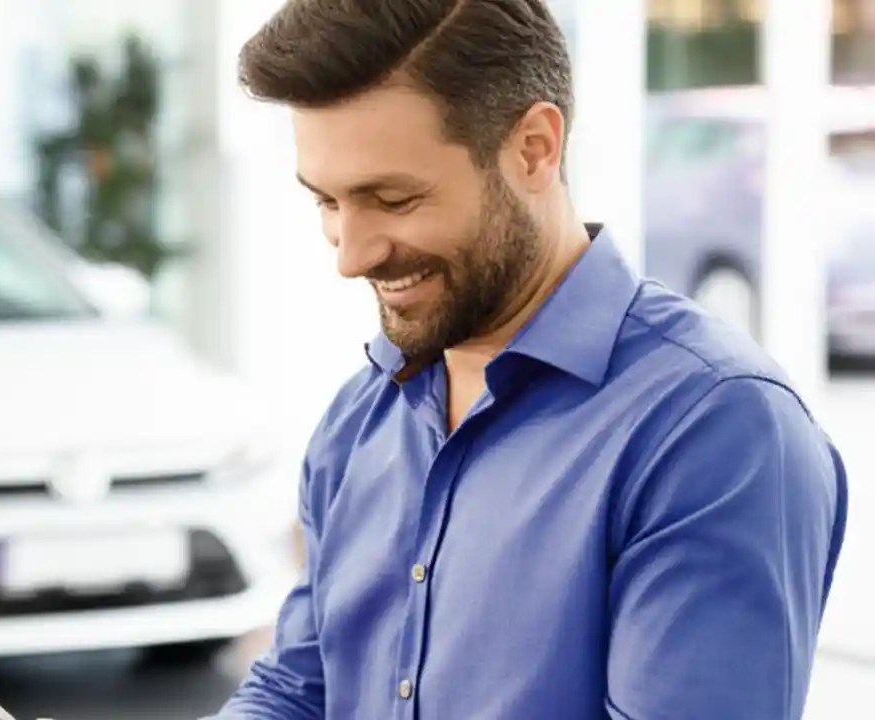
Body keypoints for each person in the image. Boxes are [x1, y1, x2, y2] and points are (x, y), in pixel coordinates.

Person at [211, 1, 849, 718]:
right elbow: (298, 692)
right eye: (327, 202)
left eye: (392, 199)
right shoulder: (361, 418)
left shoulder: (714, 430)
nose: (352, 254)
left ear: (535, 148)